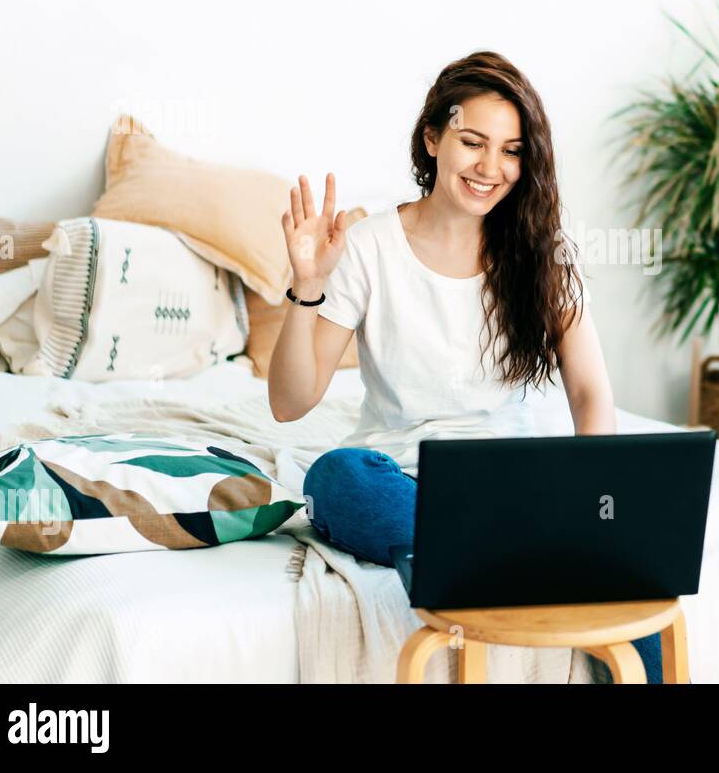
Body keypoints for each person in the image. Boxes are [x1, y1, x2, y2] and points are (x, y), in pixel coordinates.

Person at [267, 51, 663, 683]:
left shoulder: (542, 254)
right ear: (433, 138)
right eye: (471, 142)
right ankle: (494, 560)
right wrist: (307, 283)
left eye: (510, 151)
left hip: (509, 488)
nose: (490, 168)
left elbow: (590, 392)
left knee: (632, 580)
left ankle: (488, 558)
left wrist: (598, 503)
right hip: (397, 479)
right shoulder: (370, 245)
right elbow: (290, 402)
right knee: (336, 477)